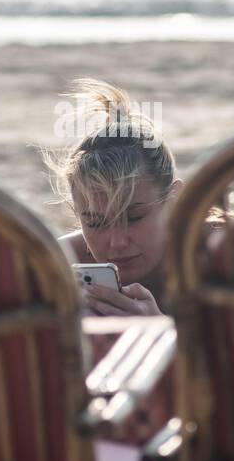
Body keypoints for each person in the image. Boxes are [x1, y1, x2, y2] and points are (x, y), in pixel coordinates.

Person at [44, 79, 182, 317]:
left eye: (134, 217)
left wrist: (160, 331)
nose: (117, 242)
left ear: (175, 202)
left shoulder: (221, 255)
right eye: (96, 222)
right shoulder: (56, 263)